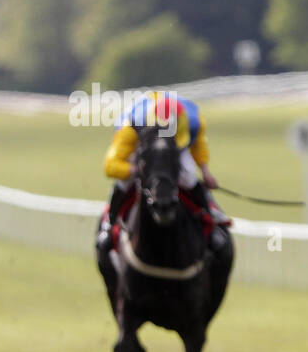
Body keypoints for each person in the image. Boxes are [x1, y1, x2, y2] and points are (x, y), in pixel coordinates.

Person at [97, 91, 228, 252]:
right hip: (143, 146)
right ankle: (108, 225)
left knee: (188, 177)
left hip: (173, 148)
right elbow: (110, 166)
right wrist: (136, 170)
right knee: (124, 182)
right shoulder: (132, 125)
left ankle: (211, 220)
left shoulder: (194, 120)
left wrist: (205, 171)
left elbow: (198, 143)